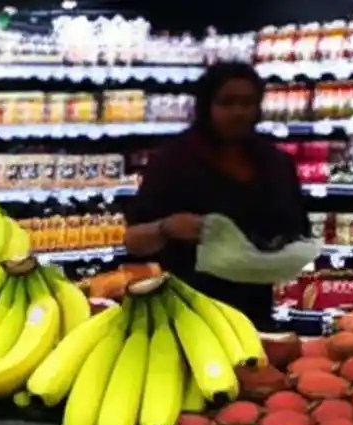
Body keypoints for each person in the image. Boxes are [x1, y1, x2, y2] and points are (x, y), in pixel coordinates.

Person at [124, 61, 308, 329]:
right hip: (184, 312)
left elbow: (297, 233)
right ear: (206, 106)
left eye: (247, 103)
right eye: (227, 102)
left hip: (253, 314)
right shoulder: (172, 162)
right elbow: (133, 240)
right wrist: (165, 228)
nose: (238, 112)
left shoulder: (276, 164)